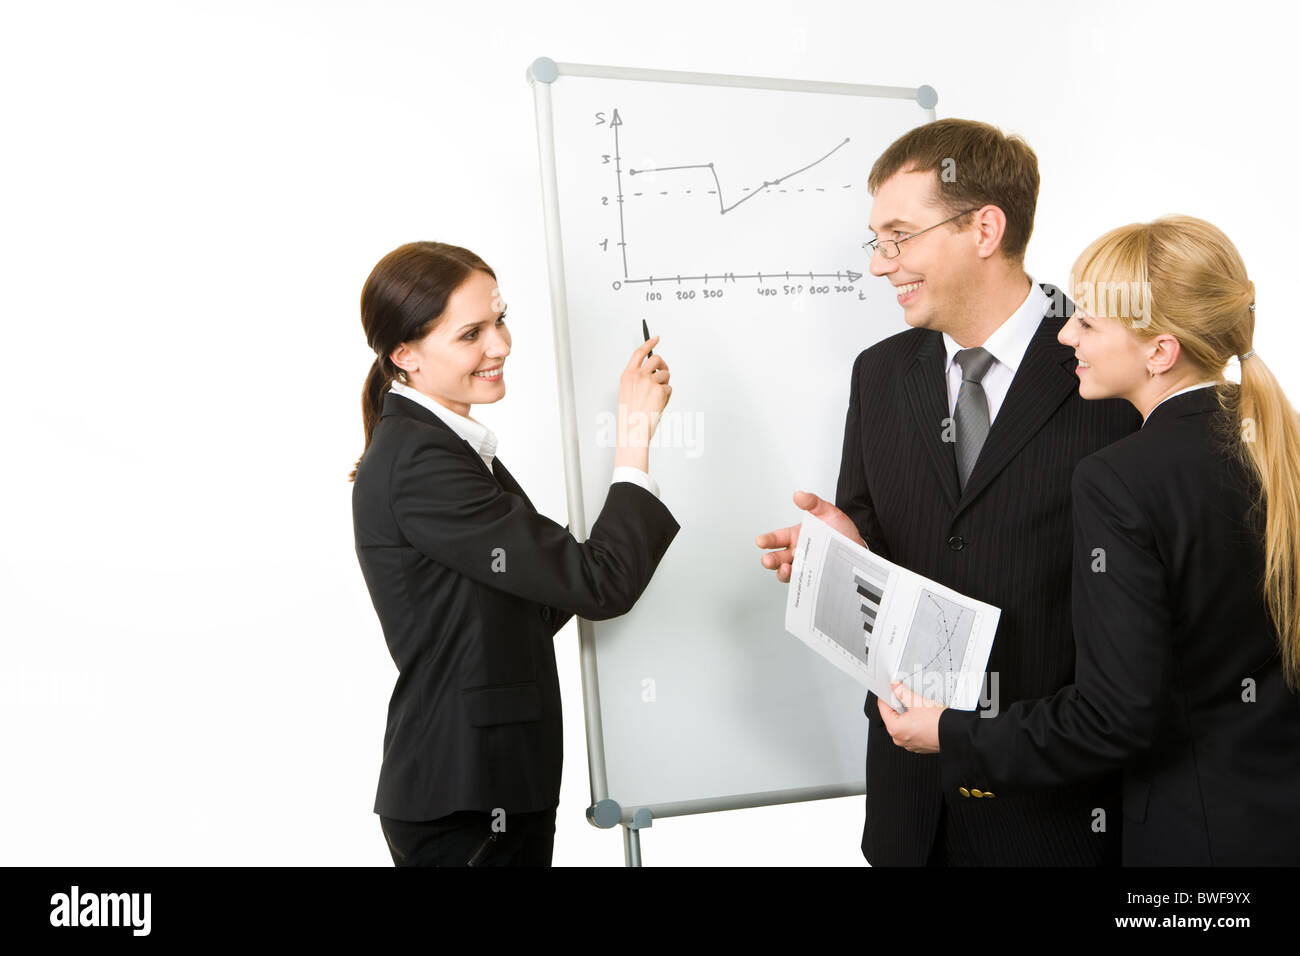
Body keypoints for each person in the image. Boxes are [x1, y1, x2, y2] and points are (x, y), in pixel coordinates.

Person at [756, 119, 1142, 866]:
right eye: (877, 241)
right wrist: (848, 550)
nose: (879, 265)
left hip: (1056, 817)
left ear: (984, 228)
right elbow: (884, 549)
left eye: (898, 237)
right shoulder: (880, 372)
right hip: (911, 810)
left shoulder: (1110, 363)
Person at [878, 215, 1300, 865]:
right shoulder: (1276, 449)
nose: (1066, 333)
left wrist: (949, 733)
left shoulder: (1119, 479)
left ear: (1160, 352)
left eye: (1089, 323)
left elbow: (1114, 718)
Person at [350, 241, 680, 866]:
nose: (500, 345)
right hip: (468, 798)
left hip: (488, 787)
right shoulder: (422, 461)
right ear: (405, 356)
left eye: (500, 320)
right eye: (471, 333)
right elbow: (596, 583)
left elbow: (535, 601)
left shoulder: (446, 446)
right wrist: (633, 434)